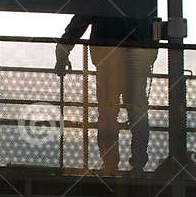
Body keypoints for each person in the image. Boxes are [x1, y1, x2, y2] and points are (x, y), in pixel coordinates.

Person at [55, 16, 157, 173]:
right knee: (137, 110)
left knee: (108, 111)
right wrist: (150, 52)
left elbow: (79, 23)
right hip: (138, 49)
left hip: (107, 51)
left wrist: (62, 53)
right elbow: (152, 21)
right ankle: (138, 163)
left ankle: (110, 164)